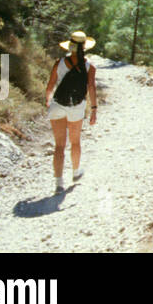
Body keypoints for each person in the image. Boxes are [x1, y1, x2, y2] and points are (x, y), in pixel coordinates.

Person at [44, 30, 98, 193]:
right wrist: (94, 109)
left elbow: (50, 86)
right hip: (76, 107)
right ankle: (75, 172)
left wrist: (48, 101)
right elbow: (92, 88)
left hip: (58, 105)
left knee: (59, 146)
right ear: (84, 47)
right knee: (75, 142)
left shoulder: (59, 62)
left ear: (70, 46)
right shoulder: (90, 67)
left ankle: (59, 183)